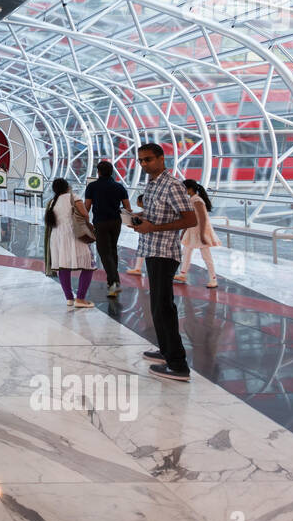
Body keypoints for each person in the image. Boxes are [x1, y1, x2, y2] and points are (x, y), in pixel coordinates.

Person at [130, 143, 197, 382]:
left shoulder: (172, 185)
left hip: (165, 252)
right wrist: (140, 217)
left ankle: (178, 365)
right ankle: (166, 350)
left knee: (163, 308)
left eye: (148, 159)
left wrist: (153, 228)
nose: (144, 164)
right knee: (157, 306)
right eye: (141, 160)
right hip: (152, 249)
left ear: (161, 158)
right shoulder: (152, 184)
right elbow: (158, 214)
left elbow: (190, 219)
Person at [45, 178, 96, 308]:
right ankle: (80, 298)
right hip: (73, 234)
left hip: (57, 236)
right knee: (88, 265)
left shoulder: (52, 202)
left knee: (63, 266)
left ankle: (69, 298)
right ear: (67, 187)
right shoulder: (73, 197)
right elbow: (85, 214)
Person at [84, 160, 131, 297]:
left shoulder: (92, 186)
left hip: (100, 222)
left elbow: (87, 207)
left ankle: (114, 284)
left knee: (104, 253)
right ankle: (113, 284)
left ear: (98, 172)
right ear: (111, 172)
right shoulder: (119, 187)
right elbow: (127, 208)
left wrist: (85, 222)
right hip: (116, 222)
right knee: (112, 250)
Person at [176, 179, 220, 288]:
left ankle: (213, 279)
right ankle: (183, 274)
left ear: (190, 189)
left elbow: (203, 219)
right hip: (192, 231)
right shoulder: (192, 200)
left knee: (206, 256)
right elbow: (191, 218)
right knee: (186, 252)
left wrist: (202, 235)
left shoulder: (197, 201)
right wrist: (184, 231)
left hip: (200, 232)